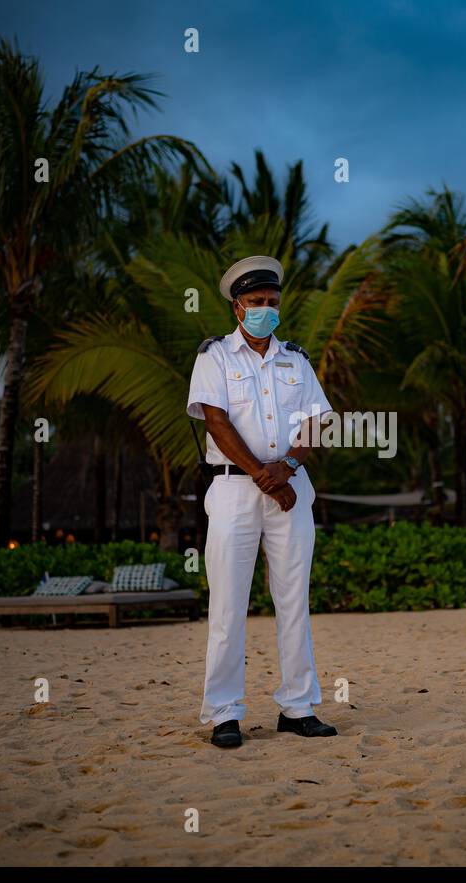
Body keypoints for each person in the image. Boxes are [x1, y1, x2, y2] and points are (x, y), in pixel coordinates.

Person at [186, 255, 338, 749]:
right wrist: (264, 475)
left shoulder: (296, 359)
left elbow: (318, 422)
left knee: (294, 602)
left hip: (291, 490)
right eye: (255, 303)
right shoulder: (215, 357)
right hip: (234, 490)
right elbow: (216, 421)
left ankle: (298, 708)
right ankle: (224, 713)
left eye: (272, 302)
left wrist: (288, 467)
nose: (265, 310)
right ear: (237, 307)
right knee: (228, 606)